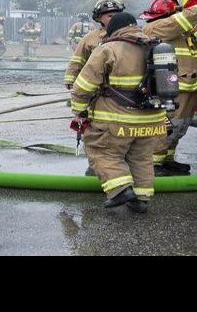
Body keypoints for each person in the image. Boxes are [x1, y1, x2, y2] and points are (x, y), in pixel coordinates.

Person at [70, 13, 168, 214]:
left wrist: (79, 108)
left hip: (117, 119)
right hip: (153, 120)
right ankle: (141, 199)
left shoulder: (108, 49)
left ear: (113, 29)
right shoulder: (156, 47)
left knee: (103, 151)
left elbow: (84, 85)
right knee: (141, 158)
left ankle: (119, 190)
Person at [141, 0, 197, 176]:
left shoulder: (178, 33)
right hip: (173, 88)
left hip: (187, 85)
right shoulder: (155, 27)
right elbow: (183, 19)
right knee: (169, 125)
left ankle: (168, 160)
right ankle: (154, 164)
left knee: (180, 125)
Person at [64, 0, 126, 90]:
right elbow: (77, 59)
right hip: (98, 86)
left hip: (124, 87)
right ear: (99, 18)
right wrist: (70, 79)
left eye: (116, 15)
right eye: (110, 16)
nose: (114, 18)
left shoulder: (128, 34)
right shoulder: (90, 37)